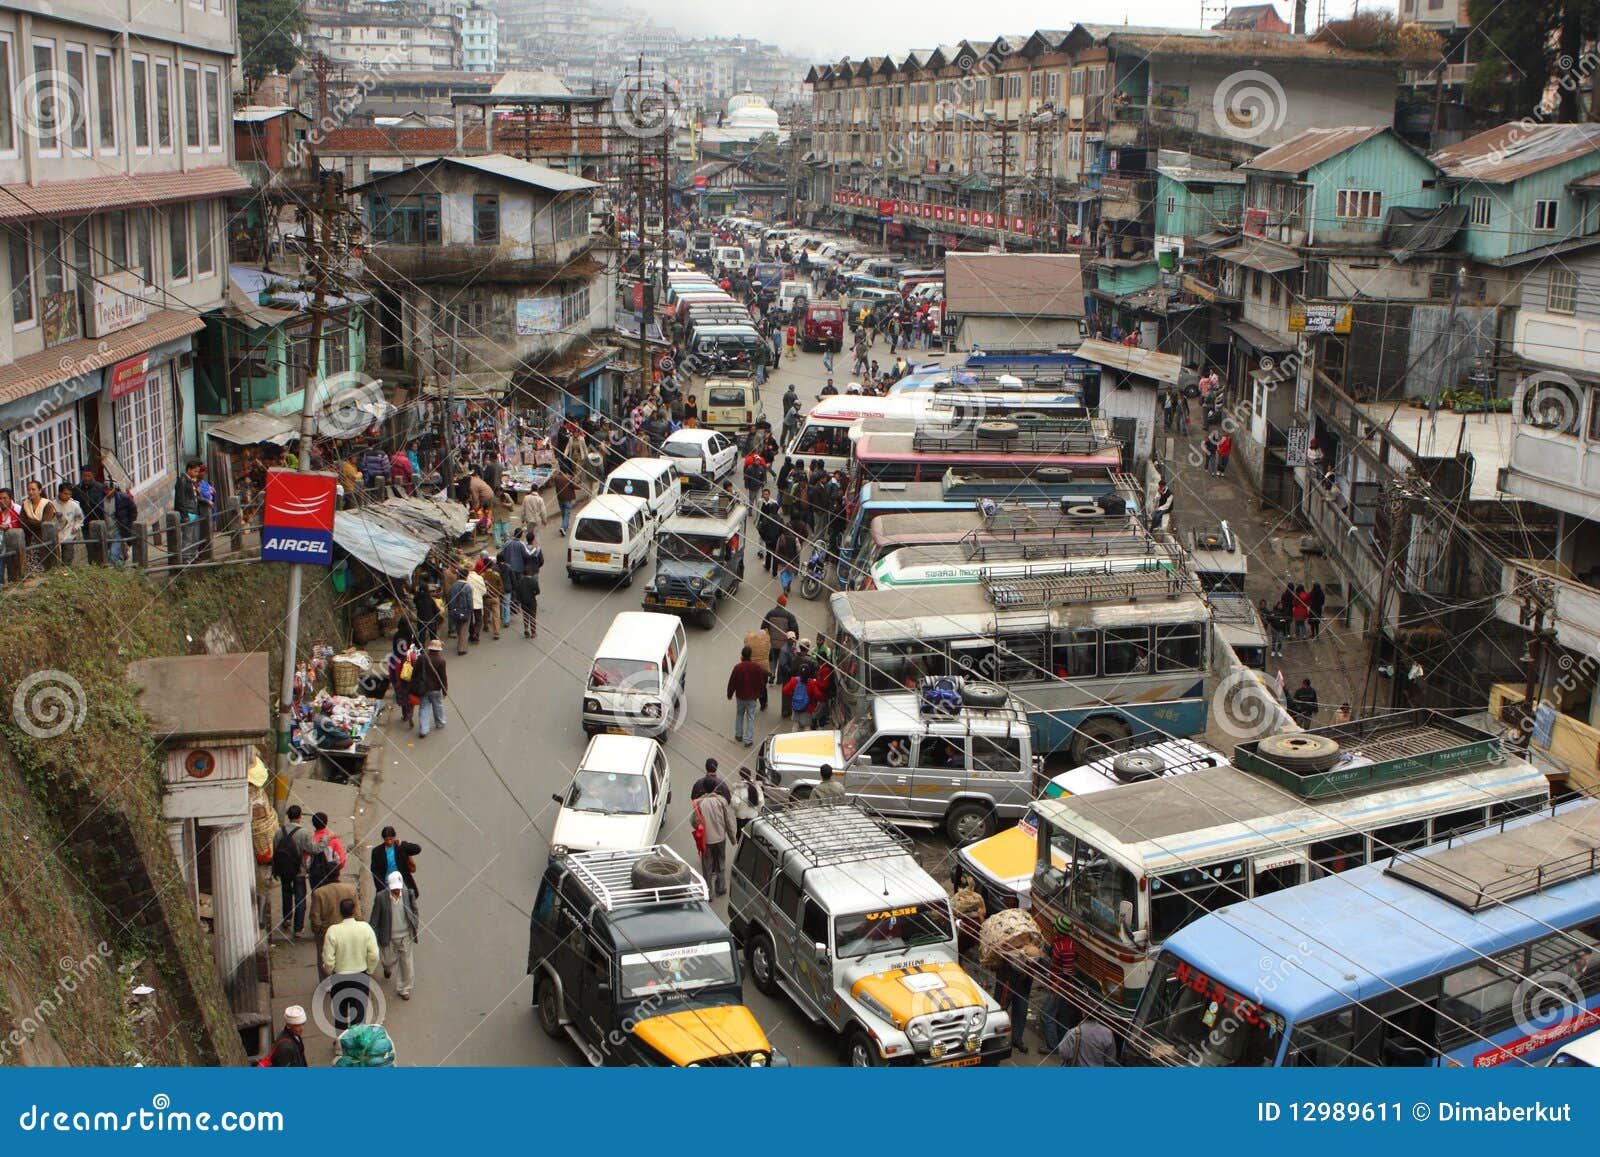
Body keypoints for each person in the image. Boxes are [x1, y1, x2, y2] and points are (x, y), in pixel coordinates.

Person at [321, 897, 380, 1031]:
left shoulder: (333, 931)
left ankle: (341, 1045)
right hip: (360, 976)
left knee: (340, 1014)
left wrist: (330, 972)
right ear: (354, 911)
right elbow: (374, 954)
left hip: (339, 977)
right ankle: (357, 1046)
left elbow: (328, 960)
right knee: (358, 1015)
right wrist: (369, 970)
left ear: (340, 912)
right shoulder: (365, 928)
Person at [369, 871, 420, 1001]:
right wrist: (371, 937)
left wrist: (415, 923)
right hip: (388, 936)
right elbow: (374, 920)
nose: (396, 891)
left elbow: (415, 910)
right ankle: (387, 968)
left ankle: (404, 989)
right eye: (394, 889)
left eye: (398, 888)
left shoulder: (408, 894)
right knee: (387, 960)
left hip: (405, 936)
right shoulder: (381, 897)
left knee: (407, 963)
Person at [270, 805, 316, 938]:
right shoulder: (304, 833)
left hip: (284, 870)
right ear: (300, 816)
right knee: (300, 899)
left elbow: (275, 851)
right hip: (299, 871)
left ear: (288, 816)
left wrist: (275, 870)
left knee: (286, 894)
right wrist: (325, 841)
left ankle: (287, 919)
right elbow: (311, 849)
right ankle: (298, 928)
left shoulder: (279, 831)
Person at [310, 865, 359, 979]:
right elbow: (357, 912)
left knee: (324, 956)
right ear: (338, 873)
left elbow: (315, 916)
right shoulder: (350, 889)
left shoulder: (319, 893)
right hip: (347, 929)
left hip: (327, 931)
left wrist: (318, 931)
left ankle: (326, 980)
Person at [994, 944, 1040, 1054]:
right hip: (1008, 982)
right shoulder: (1013, 956)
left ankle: (1017, 1039)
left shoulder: (1033, 954)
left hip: (1023, 985)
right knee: (1001, 1009)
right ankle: (996, 1037)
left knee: (1021, 1011)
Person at [695, 787, 736, 897]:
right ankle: (721, 888)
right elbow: (728, 821)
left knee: (707, 866)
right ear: (715, 789)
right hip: (720, 839)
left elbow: (693, 820)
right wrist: (732, 838)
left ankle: (708, 892)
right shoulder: (721, 801)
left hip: (707, 840)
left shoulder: (699, 803)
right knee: (721, 863)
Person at [727, 645, 767, 747]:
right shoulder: (757, 667)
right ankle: (748, 740)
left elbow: (732, 682)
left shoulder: (738, 668)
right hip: (752, 698)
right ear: (751, 655)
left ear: (742, 655)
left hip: (740, 697)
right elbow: (761, 683)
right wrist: (760, 694)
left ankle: (738, 735)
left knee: (739, 715)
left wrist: (730, 694)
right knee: (750, 717)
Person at [370, 826, 422, 898]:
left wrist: (402, 844)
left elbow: (417, 849)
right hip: (387, 885)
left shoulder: (400, 846)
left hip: (402, 883)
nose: (389, 842)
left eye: (391, 839)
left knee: (408, 906)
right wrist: (382, 888)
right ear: (383, 839)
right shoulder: (377, 851)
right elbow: (375, 871)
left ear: (395, 837)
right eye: (386, 840)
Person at [414, 639, 448, 738]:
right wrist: (445, 689)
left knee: (424, 708)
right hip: (436, 689)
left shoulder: (421, 658)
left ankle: (423, 730)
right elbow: (443, 677)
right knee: (438, 706)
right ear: (438, 650)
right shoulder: (441, 661)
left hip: (423, 688)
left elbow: (415, 673)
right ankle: (440, 723)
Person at [517, 534, 544, 638]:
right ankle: (533, 631)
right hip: (535, 571)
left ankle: (526, 629)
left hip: (525, 572)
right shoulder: (537, 549)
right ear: (533, 540)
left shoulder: (523, 549)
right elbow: (541, 561)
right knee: (532, 612)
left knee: (525, 614)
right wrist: (536, 566)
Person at [731, 766, 764, 841]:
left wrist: (738, 810)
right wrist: (756, 809)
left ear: (741, 776)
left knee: (740, 836)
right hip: (753, 817)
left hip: (741, 818)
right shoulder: (756, 786)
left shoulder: (739, 788)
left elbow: (735, 803)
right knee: (750, 836)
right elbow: (761, 802)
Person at [446, 568, 473, 654]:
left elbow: (450, 599)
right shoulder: (468, 587)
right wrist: (470, 610)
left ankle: (460, 643)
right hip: (465, 610)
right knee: (464, 631)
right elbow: (469, 600)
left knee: (459, 629)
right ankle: (461, 649)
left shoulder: (453, 586)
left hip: (455, 611)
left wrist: (451, 610)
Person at [54, 484, 84, 550]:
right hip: (56, 536)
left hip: (69, 535)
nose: (68, 496)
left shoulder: (74, 505)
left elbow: (79, 519)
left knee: (68, 556)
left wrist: (76, 527)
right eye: (65, 494)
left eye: (70, 494)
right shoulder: (52, 504)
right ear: (60, 492)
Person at [466, 562, 487, 644]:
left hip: (468, 601)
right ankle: (476, 633)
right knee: (479, 619)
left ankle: (472, 634)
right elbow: (484, 590)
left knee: (470, 620)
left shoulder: (465, 578)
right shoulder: (479, 577)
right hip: (478, 600)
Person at [551, 470, 577, 536]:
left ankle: (566, 525)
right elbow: (573, 486)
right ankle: (563, 527)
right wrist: (580, 487)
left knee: (563, 513)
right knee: (567, 514)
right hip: (567, 499)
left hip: (560, 498)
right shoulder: (568, 478)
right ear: (566, 472)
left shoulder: (556, 478)